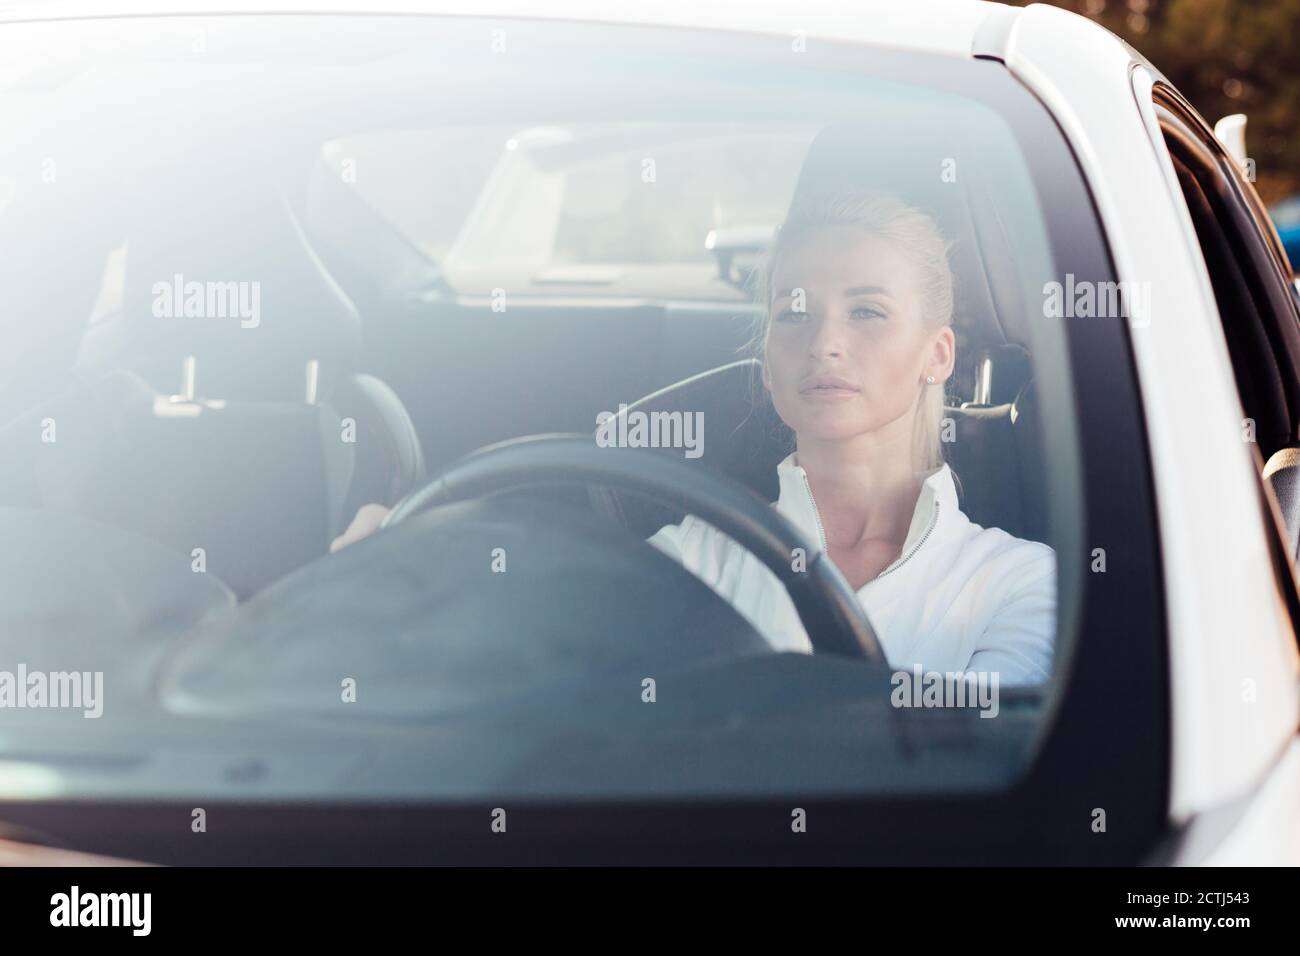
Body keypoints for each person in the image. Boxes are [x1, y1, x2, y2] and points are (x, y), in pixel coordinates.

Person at [333, 188, 1055, 685]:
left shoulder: (1021, 584)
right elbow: (533, 640)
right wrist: (410, 573)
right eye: (794, 314)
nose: (825, 342)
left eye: (867, 312)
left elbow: (976, 761)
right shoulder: (695, 558)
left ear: (938, 354)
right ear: (767, 365)